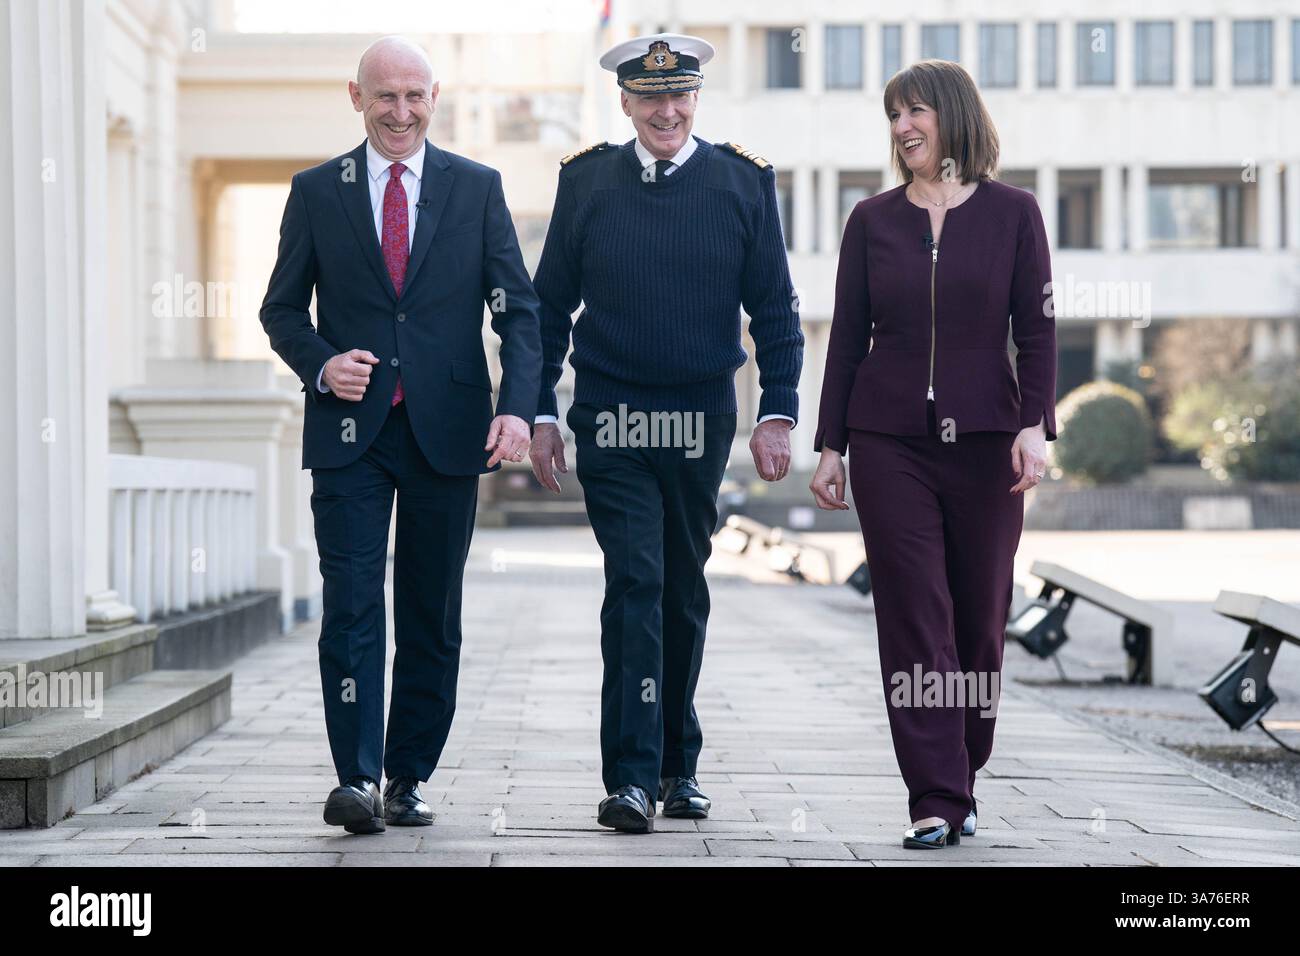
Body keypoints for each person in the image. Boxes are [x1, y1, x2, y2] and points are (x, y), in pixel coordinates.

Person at [259, 36, 541, 834]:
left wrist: (517, 408)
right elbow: (280, 310)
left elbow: (519, 309)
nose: (401, 112)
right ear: (357, 98)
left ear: (435, 97)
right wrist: (320, 363)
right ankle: (355, 776)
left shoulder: (477, 189)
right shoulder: (317, 191)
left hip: (447, 433)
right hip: (350, 434)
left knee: (430, 610)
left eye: (415, 96)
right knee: (351, 603)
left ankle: (408, 775)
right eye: (385, 96)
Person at [528, 34, 804, 833]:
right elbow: (547, 311)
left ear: (696, 99)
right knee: (637, 582)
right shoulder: (585, 184)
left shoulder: (743, 183)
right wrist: (542, 412)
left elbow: (777, 311)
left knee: (682, 587)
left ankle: (679, 762)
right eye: (650, 98)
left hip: (698, 418)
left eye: (679, 95)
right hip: (611, 414)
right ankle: (631, 779)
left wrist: (778, 412)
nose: (666, 110)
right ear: (625, 103)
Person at [809, 59, 1058, 849]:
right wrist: (830, 445)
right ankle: (935, 794)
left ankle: (963, 768)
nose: (903, 127)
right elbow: (847, 339)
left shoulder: (1015, 214)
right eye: (893, 115)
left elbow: (1039, 329)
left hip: (988, 443)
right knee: (915, 616)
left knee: (981, 620)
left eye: (916, 111)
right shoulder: (872, 221)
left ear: (953, 118)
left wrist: (1033, 424)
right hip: (889, 445)